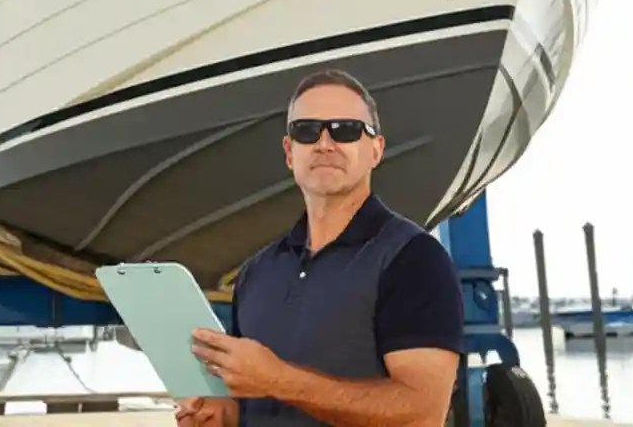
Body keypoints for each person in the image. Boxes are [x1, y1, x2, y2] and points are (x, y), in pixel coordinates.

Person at [176, 68, 464, 426]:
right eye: (307, 131)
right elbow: (252, 402)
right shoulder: (257, 272)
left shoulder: (414, 259)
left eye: (346, 130)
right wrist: (219, 415)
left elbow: (422, 414)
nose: (325, 143)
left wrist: (278, 380)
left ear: (376, 150)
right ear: (289, 151)